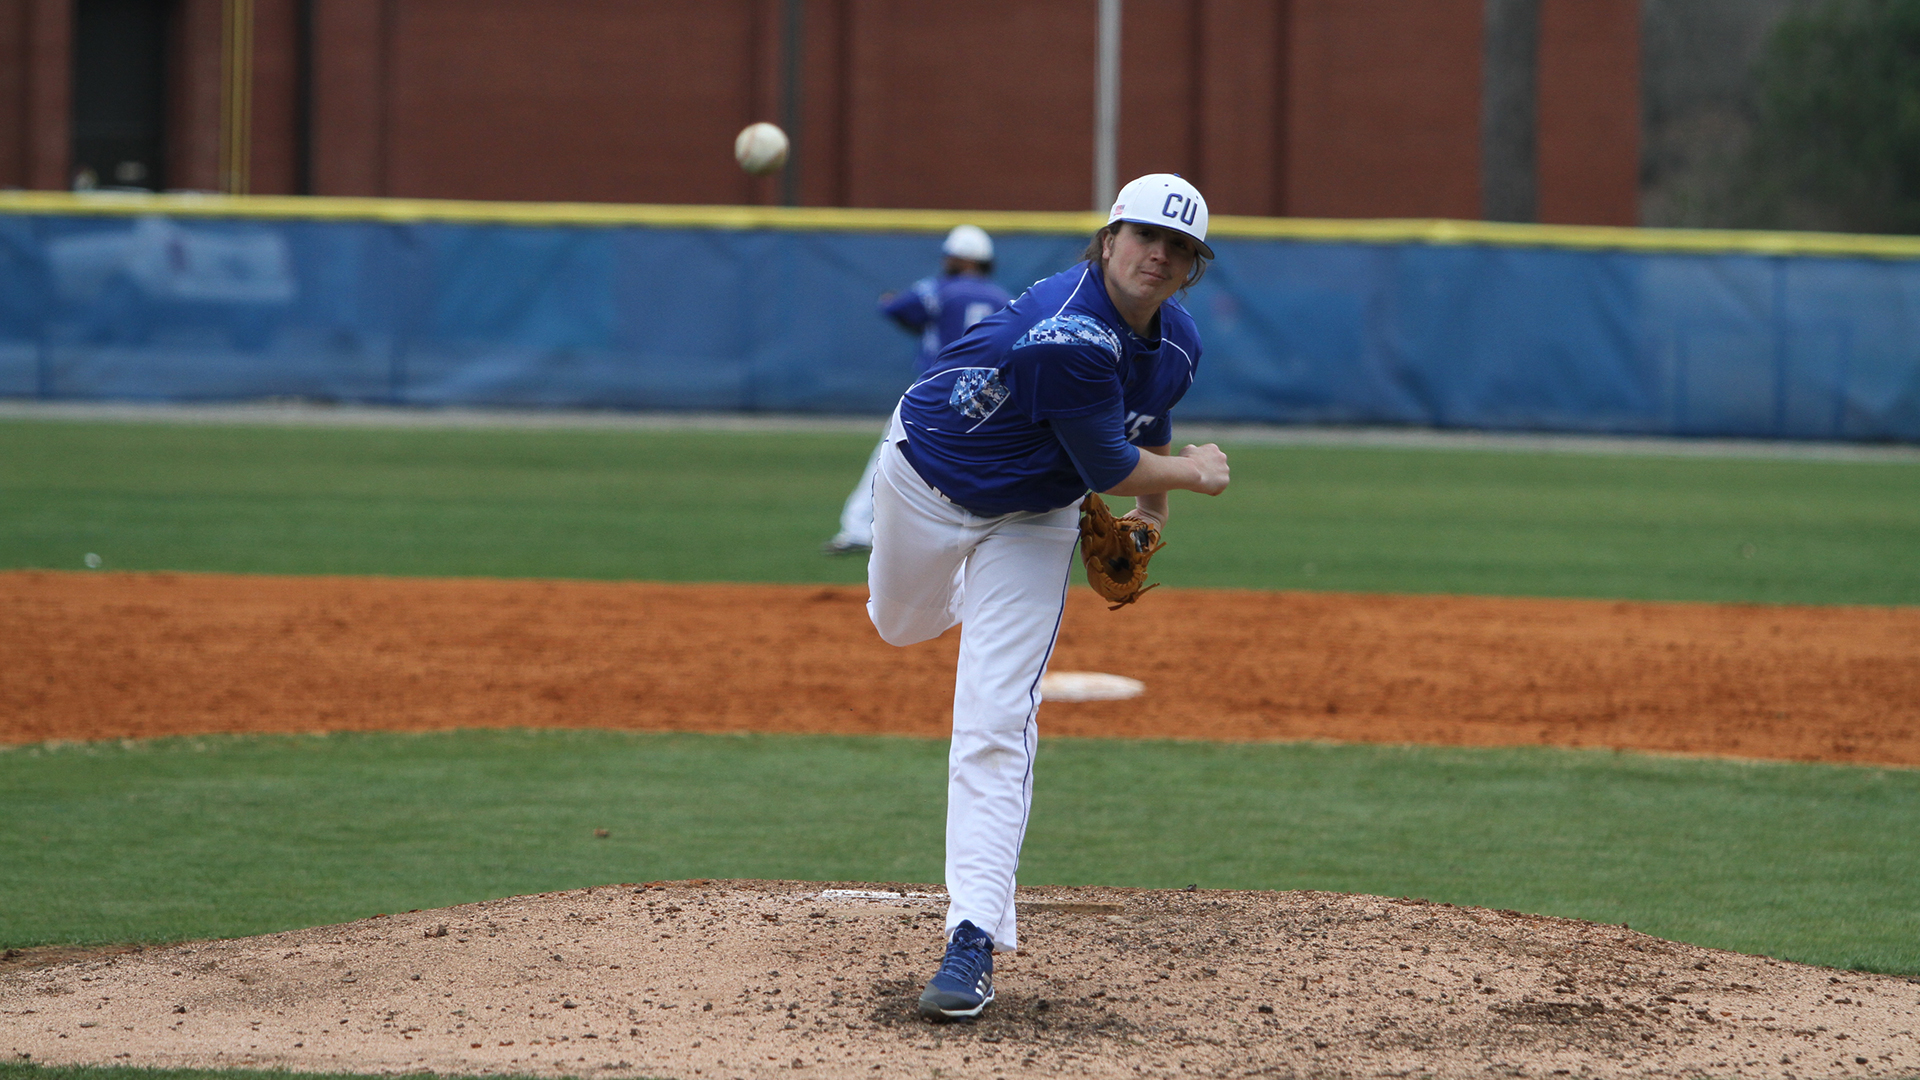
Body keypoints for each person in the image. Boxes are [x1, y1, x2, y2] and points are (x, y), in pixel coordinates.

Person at [863, 174, 1231, 1020]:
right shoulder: (1066, 331)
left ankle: (971, 943)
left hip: (1035, 519)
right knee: (899, 624)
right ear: (1107, 240)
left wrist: (1149, 515)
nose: (1159, 254)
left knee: (995, 719)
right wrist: (1194, 478)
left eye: (1179, 248)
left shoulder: (1177, 341)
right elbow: (1114, 461)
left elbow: (1151, 419)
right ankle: (980, 607)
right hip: (924, 477)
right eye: (1144, 235)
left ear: (1191, 272)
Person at [823, 225, 1013, 555]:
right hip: (985, 397)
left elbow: (895, 308)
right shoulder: (1004, 298)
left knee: (889, 454)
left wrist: (896, 303)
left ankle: (857, 530)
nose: (947, 261)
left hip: (934, 392)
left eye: (951, 255)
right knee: (977, 461)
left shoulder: (939, 289)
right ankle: (983, 536)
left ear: (963, 259)